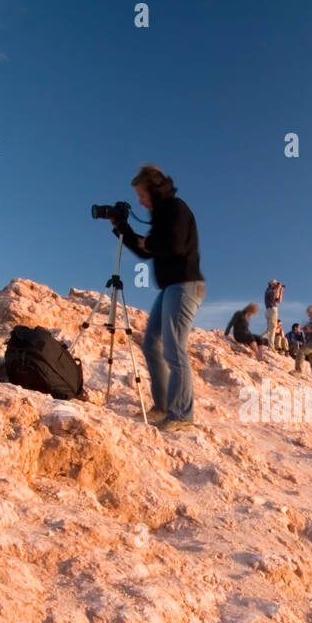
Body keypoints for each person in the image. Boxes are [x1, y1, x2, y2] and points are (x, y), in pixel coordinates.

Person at [114, 163, 205, 431]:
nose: (140, 202)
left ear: (154, 190)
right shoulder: (160, 217)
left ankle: (182, 416)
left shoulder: (175, 209)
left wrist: (146, 243)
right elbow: (146, 252)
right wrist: (122, 230)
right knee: (151, 344)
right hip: (170, 287)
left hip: (185, 285)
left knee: (174, 350)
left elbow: (173, 244)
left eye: (142, 195)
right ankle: (164, 406)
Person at [264, 279, 285, 345]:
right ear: (272, 284)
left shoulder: (270, 291)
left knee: (269, 329)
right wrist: (278, 289)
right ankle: (271, 345)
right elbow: (275, 296)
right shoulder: (270, 291)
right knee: (273, 328)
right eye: (276, 284)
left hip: (270, 310)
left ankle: (257, 339)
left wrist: (281, 291)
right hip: (272, 310)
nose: (277, 286)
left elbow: (279, 300)